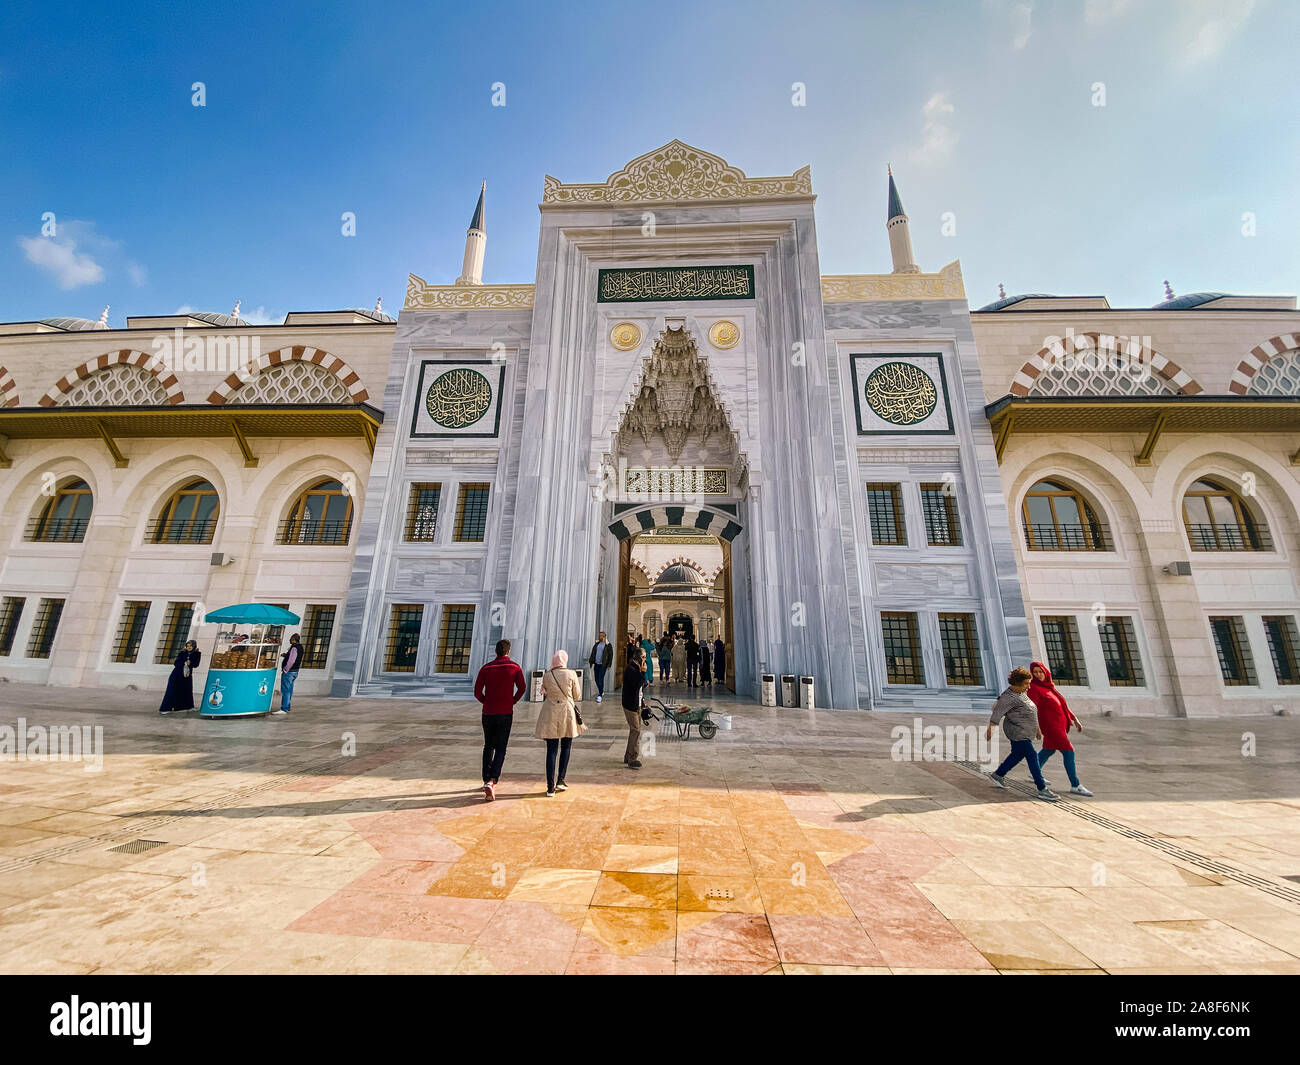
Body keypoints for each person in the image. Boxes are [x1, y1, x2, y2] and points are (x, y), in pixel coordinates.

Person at [986, 667, 1058, 801]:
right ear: (1016, 683)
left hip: (1026, 730)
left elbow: (1032, 710)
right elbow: (997, 713)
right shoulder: (1008, 697)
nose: (1029, 687)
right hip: (1017, 731)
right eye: (1026, 684)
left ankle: (998, 774)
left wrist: (1037, 729)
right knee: (1032, 756)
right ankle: (1042, 788)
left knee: (1017, 754)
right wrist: (990, 729)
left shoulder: (1021, 693)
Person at [1028, 661, 1093, 796]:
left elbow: (1062, 705)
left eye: (1040, 671)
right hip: (1051, 727)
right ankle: (1075, 784)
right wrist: (1036, 727)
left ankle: (1036, 773)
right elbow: (1031, 708)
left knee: (1048, 750)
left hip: (1060, 725)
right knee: (1069, 752)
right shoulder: (1034, 688)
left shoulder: (1049, 687)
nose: (1038, 675)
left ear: (1045, 672)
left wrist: (1075, 719)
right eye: (1035, 672)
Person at [474, 639, 527, 801]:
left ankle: (486, 779)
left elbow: (477, 692)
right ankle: (492, 780)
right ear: (508, 651)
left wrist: (487, 702)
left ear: (496, 651)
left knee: (488, 746)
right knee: (501, 747)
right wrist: (512, 700)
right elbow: (522, 687)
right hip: (505, 713)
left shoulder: (486, 668)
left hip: (488, 712)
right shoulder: (514, 667)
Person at [536, 650, 584, 796]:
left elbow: (543, 691)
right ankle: (560, 780)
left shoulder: (547, 675)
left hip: (550, 712)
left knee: (551, 750)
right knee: (566, 747)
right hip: (566, 713)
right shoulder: (571, 674)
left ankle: (550, 787)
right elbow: (577, 695)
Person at [621, 648, 647, 769]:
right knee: (636, 730)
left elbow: (642, 686)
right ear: (638, 658)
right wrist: (643, 672)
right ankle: (633, 758)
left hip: (637, 703)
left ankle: (628, 756)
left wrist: (642, 700)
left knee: (634, 730)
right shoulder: (631, 669)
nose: (645, 660)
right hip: (630, 704)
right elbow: (637, 683)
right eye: (643, 657)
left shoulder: (636, 668)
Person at [159, 639, 201, 715]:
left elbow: (196, 664)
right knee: (172, 690)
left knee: (186, 691)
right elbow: (176, 663)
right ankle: (166, 708)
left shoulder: (197, 653)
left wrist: (190, 663)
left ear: (194, 646)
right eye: (187, 646)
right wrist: (184, 662)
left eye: (191, 646)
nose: (189, 647)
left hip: (186, 675)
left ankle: (186, 707)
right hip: (177, 674)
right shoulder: (182, 653)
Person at [270, 633, 302, 716]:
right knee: (289, 690)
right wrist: (286, 655)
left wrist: (285, 669)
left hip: (289, 672)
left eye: (291, 639)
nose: (289, 640)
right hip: (295, 671)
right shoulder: (300, 647)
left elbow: (291, 661)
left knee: (286, 690)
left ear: (294, 639)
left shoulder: (294, 647)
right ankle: (287, 707)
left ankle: (284, 708)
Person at [587, 631, 613, 703]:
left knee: (600, 679)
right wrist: (591, 662)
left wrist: (609, 665)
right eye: (599, 636)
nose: (600, 637)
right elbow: (593, 653)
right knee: (596, 679)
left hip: (603, 665)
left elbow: (610, 656)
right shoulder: (596, 644)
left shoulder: (608, 645)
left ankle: (600, 695)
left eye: (601, 636)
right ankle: (601, 691)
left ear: (604, 637)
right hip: (597, 664)